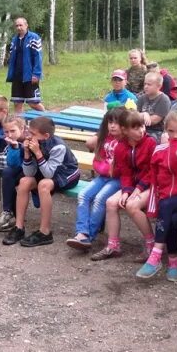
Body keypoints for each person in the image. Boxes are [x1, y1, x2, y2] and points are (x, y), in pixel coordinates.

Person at [137, 111, 177, 281]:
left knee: (167, 206)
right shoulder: (159, 150)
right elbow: (154, 181)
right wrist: (153, 207)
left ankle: (155, 256)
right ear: (166, 130)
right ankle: (174, 263)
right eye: (171, 131)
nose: (175, 135)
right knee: (171, 220)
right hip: (167, 201)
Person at [2, 117, 80, 247]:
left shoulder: (58, 146)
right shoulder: (32, 142)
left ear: (46, 136)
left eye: (33, 134)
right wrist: (27, 153)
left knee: (43, 185)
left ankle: (45, 232)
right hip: (46, 172)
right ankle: (19, 227)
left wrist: (37, 153)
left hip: (66, 174)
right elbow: (29, 173)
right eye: (29, 132)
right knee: (25, 181)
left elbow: (49, 174)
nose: (28, 136)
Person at [90, 110, 157, 261]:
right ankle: (114, 246)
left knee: (132, 205)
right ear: (125, 130)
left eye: (141, 126)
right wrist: (126, 191)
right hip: (133, 185)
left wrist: (138, 189)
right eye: (135, 128)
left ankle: (151, 245)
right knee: (111, 202)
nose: (141, 130)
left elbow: (152, 171)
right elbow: (125, 173)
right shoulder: (121, 147)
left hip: (151, 184)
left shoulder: (150, 143)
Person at [66, 107, 128, 250]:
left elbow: (125, 168)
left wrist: (111, 169)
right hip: (103, 177)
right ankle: (82, 232)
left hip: (118, 180)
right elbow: (98, 160)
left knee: (100, 199)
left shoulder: (126, 142)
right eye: (110, 122)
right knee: (83, 195)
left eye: (117, 122)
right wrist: (105, 169)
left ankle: (89, 236)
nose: (112, 125)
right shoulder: (104, 139)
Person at [6, 17, 45, 113]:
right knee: (17, 103)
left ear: (26, 25)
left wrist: (36, 74)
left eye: (21, 25)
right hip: (17, 76)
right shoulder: (14, 40)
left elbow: (38, 57)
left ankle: (48, 118)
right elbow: (12, 58)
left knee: (33, 103)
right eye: (17, 26)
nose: (19, 27)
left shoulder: (34, 38)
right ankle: (19, 126)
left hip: (30, 76)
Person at [136, 71, 171, 143]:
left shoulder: (164, 99)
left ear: (159, 86)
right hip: (140, 127)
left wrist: (138, 116)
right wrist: (144, 114)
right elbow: (133, 115)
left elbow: (153, 121)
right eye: (145, 84)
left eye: (149, 84)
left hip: (157, 131)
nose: (146, 86)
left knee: (147, 141)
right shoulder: (141, 98)